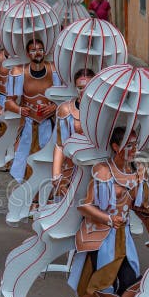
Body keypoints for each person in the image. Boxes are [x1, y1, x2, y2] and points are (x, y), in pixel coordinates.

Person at [65, 126, 149, 297]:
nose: (133, 149)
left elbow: (139, 205)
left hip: (122, 236)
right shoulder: (103, 171)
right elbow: (85, 206)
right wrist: (108, 219)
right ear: (116, 147)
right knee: (106, 287)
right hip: (101, 236)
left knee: (130, 283)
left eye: (135, 145)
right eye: (128, 145)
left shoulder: (138, 171)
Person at [4, 38, 61, 183]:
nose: (38, 53)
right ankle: (30, 186)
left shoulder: (54, 69)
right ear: (28, 53)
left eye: (40, 49)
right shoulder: (19, 72)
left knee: (50, 155)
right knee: (26, 153)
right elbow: (8, 102)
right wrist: (19, 109)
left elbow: (63, 98)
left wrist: (54, 107)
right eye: (34, 50)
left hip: (49, 121)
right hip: (29, 121)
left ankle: (48, 183)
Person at [51, 69, 94, 201]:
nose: (83, 91)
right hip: (72, 168)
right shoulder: (66, 109)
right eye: (80, 88)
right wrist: (56, 174)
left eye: (87, 87)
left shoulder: (104, 111)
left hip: (96, 168)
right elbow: (60, 145)